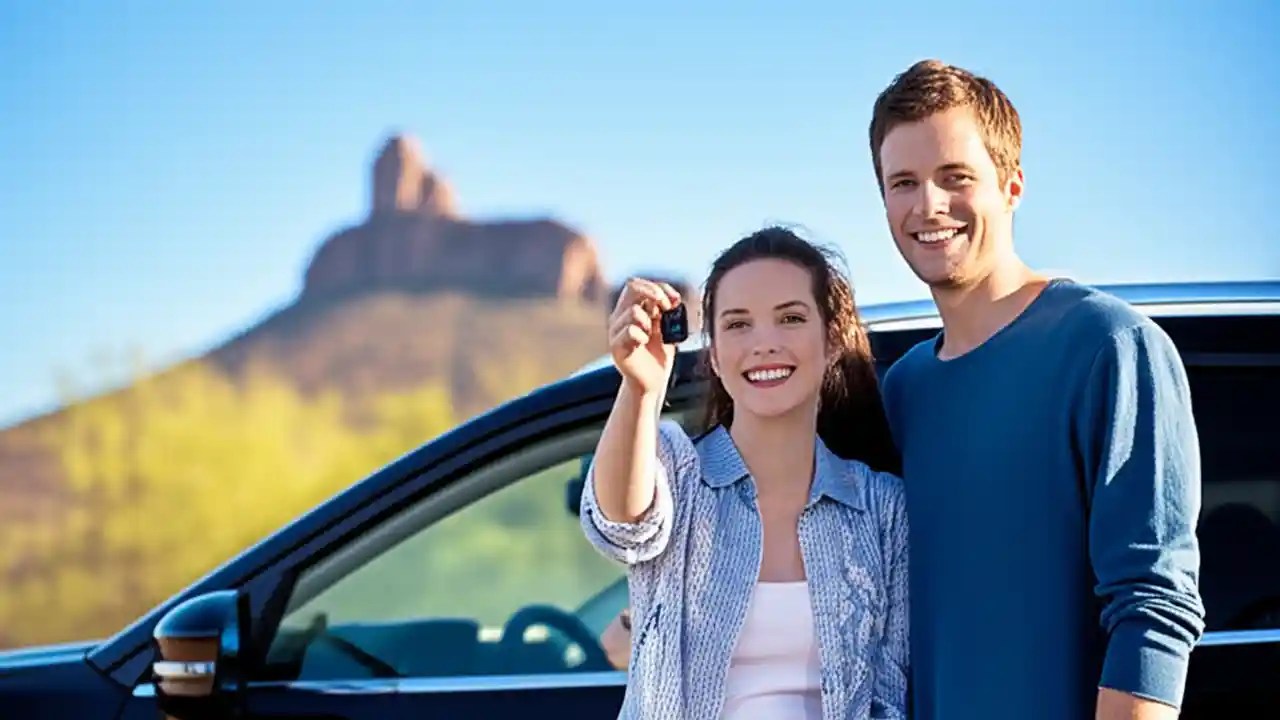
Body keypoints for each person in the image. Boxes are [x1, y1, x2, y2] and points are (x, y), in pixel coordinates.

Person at [869, 59, 1205, 719]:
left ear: (1012, 185)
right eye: (902, 182)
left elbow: (1153, 607)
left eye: (954, 177)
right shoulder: (904, 390)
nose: (927, 206)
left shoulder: (1107, 346)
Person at [579, 225, 908, 719]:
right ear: (714, 352)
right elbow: (623, 528)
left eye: (791, 318)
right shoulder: (677, 470)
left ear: (832, 341)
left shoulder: (882, 508)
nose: (764, 344)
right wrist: (641, 389)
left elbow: (889, 700)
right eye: (738, 324)